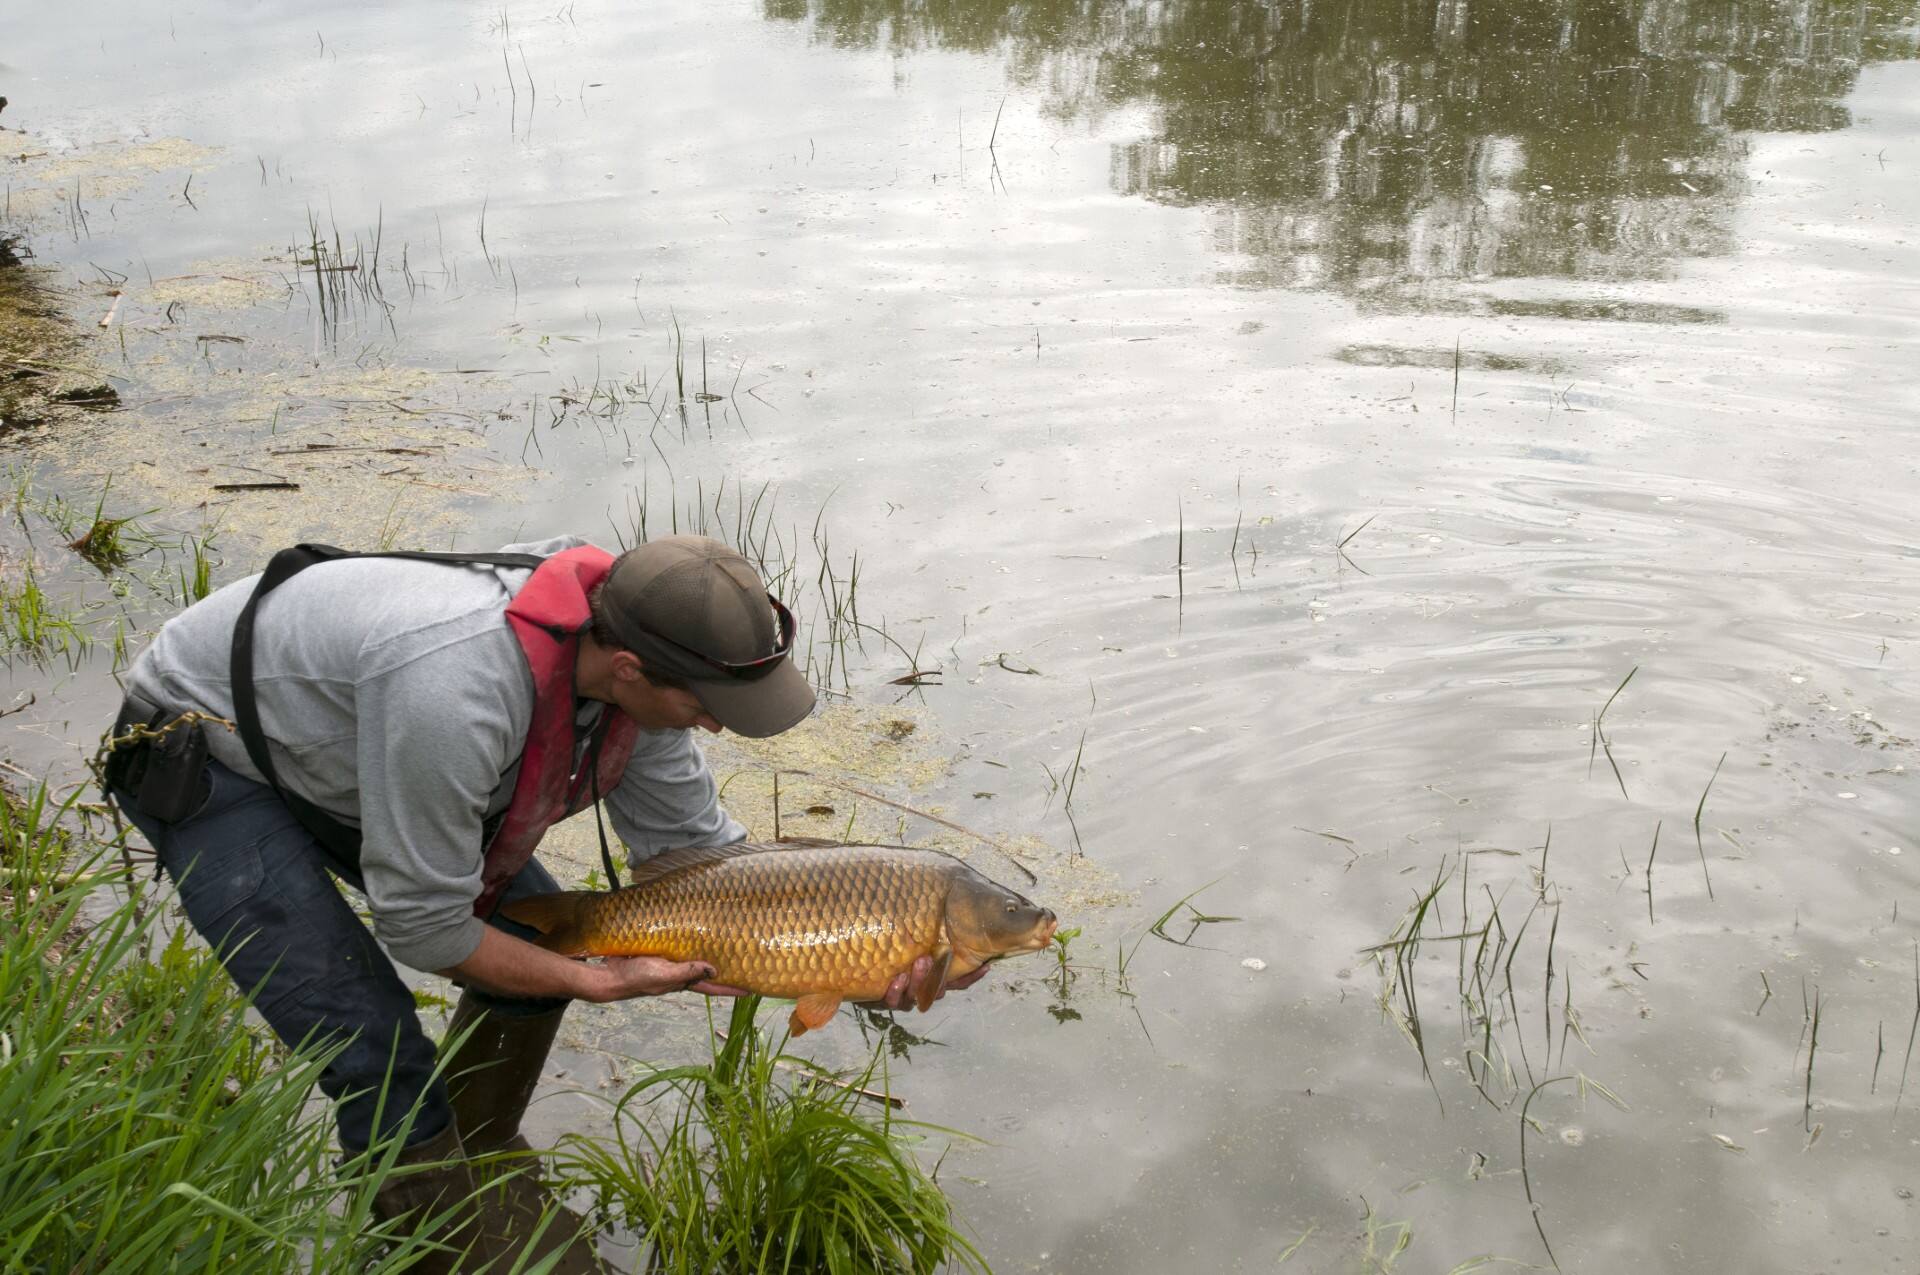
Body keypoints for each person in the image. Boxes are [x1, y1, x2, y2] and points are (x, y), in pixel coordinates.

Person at [102, 533, 966, 1273]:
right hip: (206, 750)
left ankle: (462, 1157)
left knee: (538, 962)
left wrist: (869, 948)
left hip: (360, 736)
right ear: (628, 667)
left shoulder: (639, 656)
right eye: (707, 705)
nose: (713, 725)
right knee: (373, 1051)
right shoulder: (457, 691)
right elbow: (424, 927)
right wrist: (592, 981)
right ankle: (428, 1228)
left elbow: (695, 860)